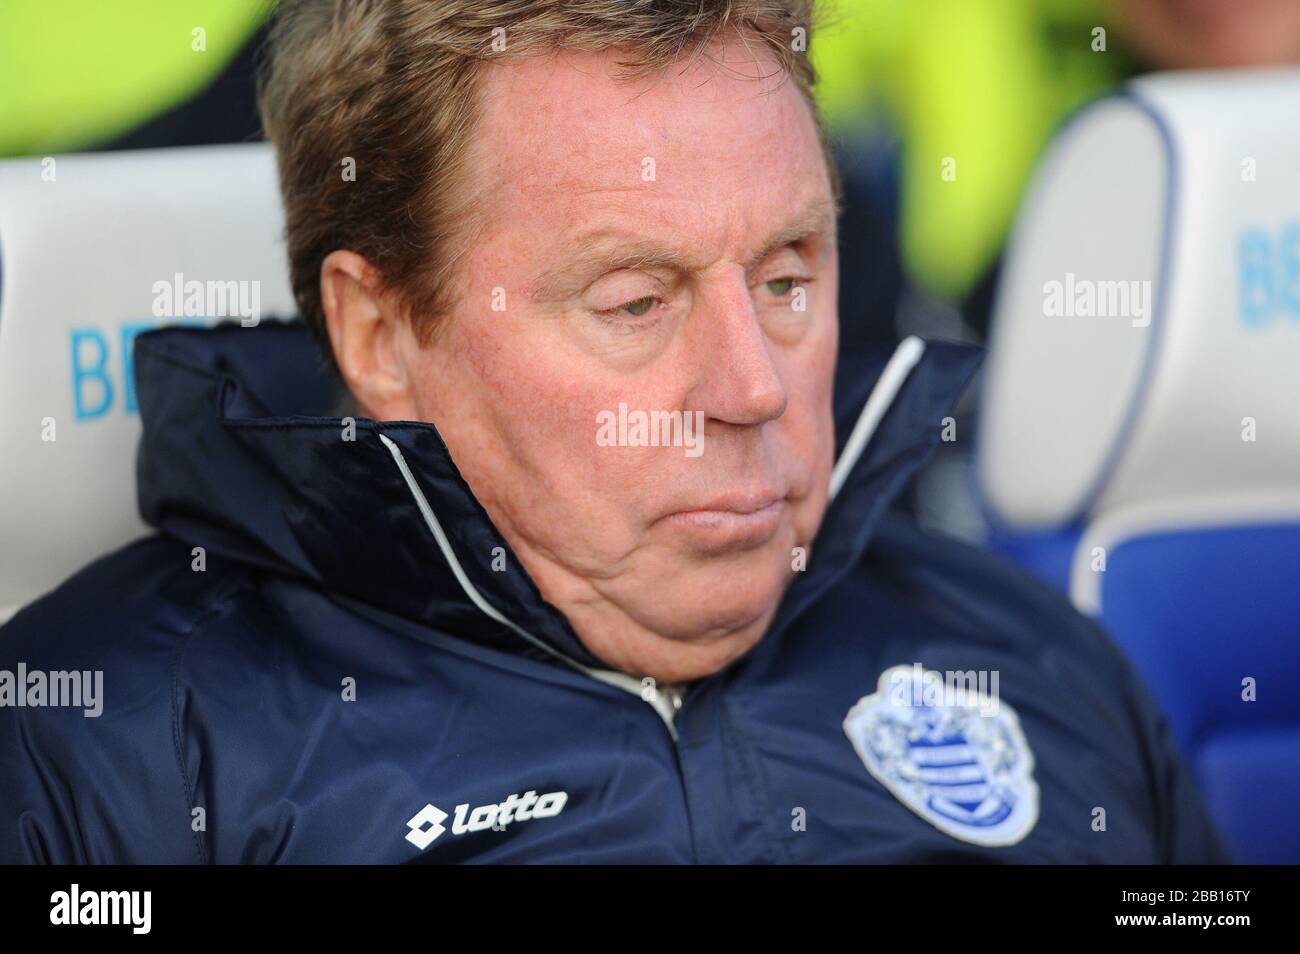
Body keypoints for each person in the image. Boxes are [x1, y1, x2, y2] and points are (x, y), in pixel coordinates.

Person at [0, 0, 1230, 863]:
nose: (754, 388)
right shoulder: (107, 755)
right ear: (379, 335)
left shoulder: (1033, 660)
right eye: (636, 303)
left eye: (790, 279)